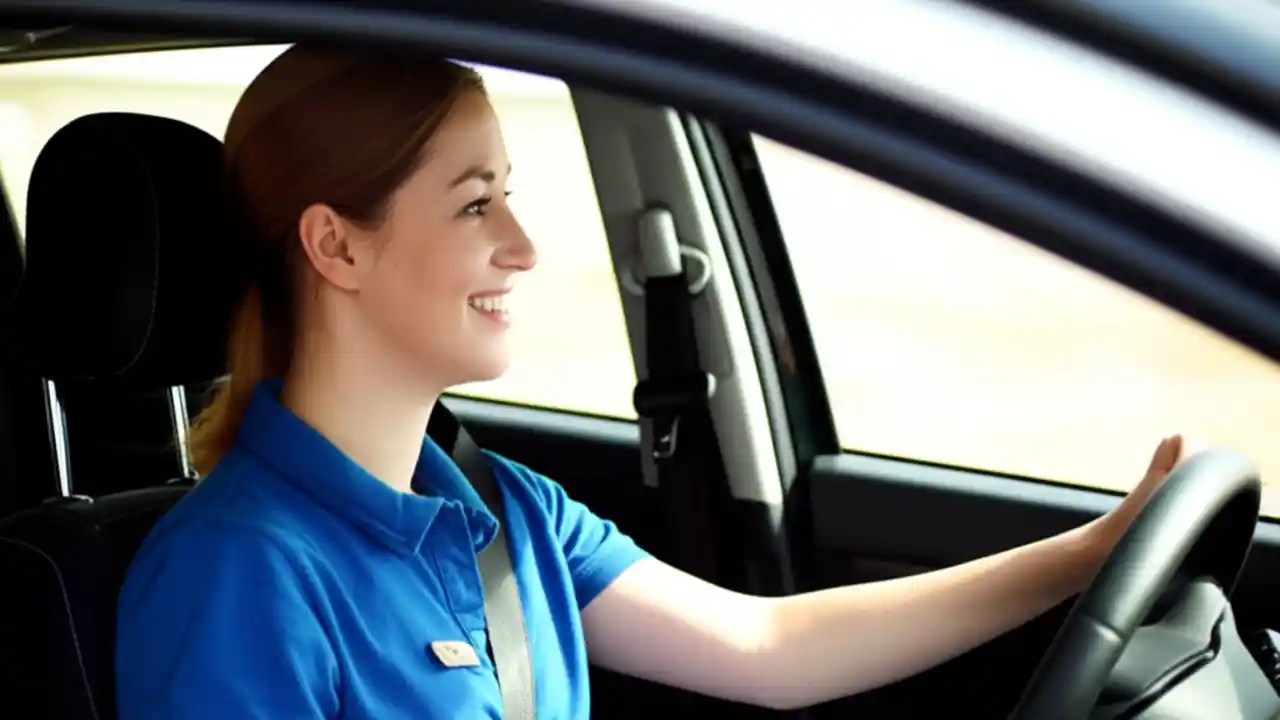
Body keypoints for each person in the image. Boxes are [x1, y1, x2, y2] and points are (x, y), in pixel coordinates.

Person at [114, 43, 1199, 718]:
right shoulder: (235, 576)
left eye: (510, 195)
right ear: (336, 247)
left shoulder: (506, 515)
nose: (526, 246)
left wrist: (1087, 557)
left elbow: (768, 647)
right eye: (473, 203)